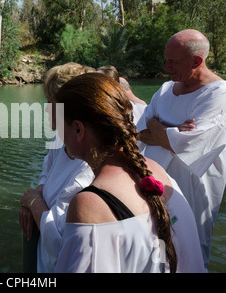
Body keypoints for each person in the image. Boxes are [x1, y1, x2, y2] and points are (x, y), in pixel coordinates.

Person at [54, 73, 204, 273]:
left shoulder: (91, 204)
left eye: (58, 122)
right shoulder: (156, 171)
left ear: (78, 130)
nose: (54, 129)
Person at [138, 29, 226, 267]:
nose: (166, 66)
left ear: (197, 61)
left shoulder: (221, 95)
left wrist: (160, 129)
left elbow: (190, 144)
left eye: (173, 61)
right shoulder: (164, 89)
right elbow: (140, 132)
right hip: (151, 188)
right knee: (150, 252)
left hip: (191, 194)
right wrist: (170, 131)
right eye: (165, 59)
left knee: (187, 256)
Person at [19, 62, 95, 272]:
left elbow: (60, 238)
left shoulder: (88, 166)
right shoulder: (59, 139)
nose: (45, 108)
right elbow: (46, 174)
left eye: (50, 102)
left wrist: (33, 202)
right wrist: (35, 197)